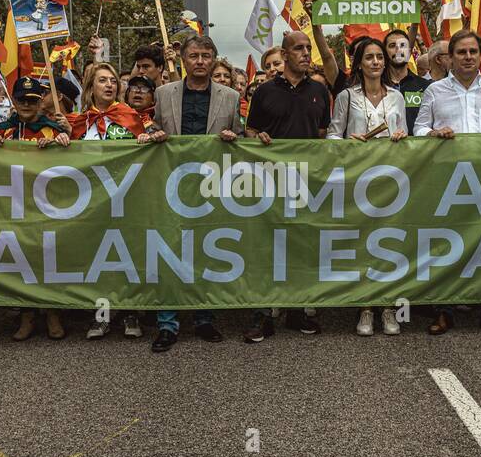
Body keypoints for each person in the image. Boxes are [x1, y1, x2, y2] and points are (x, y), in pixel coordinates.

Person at [413, 29, 481, 337]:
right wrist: (432, 134)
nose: (468, 57)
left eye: (473, 51)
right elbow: (418, 129)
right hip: (447, 177)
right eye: (462, 52)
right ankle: (443, 310)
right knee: (446, 243)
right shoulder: (434, 91)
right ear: (450, 58)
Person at [149, 35, 241, 351]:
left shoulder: (230, 97)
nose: (199, 61)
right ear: (184, 59)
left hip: (212, 186)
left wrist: (234, 137)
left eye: (205, 55)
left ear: (214, 59)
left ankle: (205, 319)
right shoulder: (163, 94)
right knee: (169, 252)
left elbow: (242, 140)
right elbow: (149, 130)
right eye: (193, 55)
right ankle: (167, 324)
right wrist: (154, 134)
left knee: (206, 251)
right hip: (170, 184)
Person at [243, 30, 333, 343]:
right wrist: (260, 139)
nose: (307, 53)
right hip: (270, 183)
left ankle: (298, 310)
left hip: (307, 183)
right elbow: (250, 132)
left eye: (309, 48)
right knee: (268, 248)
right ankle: (262, 314)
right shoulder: (265, 92)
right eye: (299, 48)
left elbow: (323, 135)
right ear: (285, 54)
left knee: (301, 246)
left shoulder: (320, 92)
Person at [66, 63, 166, 340]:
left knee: (127, 256)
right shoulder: (76, 121)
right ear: (90, 87)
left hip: (127, 199)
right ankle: (101, 316)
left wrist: (150, 136)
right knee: (98, 259)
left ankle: (130, 312)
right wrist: (61, 135)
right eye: (102, 81)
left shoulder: (131, 116)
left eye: (113, 80)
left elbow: (155, 134)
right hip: (91, 202)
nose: (109, 85)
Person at [328, 36, 408, 336]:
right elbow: (333, 136)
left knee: (388, 241)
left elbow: (408, 136)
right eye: (369, 57)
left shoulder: (397, 97)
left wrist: (401, 137)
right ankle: (365, 307)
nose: (376, 62)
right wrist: (348, 140)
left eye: (379, 57)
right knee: (363, 241)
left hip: (391, 180)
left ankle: (389, 307)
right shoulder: (347, 97)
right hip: (358, 178)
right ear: (359, 64)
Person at [0, 75, 71, 343]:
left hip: (47, 206)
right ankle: (27, 315)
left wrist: (63, 140)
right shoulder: (4, 129)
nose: (26, 105)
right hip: (15, 206)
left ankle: (53, 313)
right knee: (21, 262)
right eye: (21, 100)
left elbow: (74, 155)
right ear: (14, 101)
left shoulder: (51, 129)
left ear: (39, 102)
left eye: (32, 100)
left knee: (49, 259)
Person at [381, 28, 430, 134]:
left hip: (418, 149)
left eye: (403, 45)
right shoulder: (375, 87)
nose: (398, 49)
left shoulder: (427, 87)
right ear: (384, 52)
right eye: (392, 45)